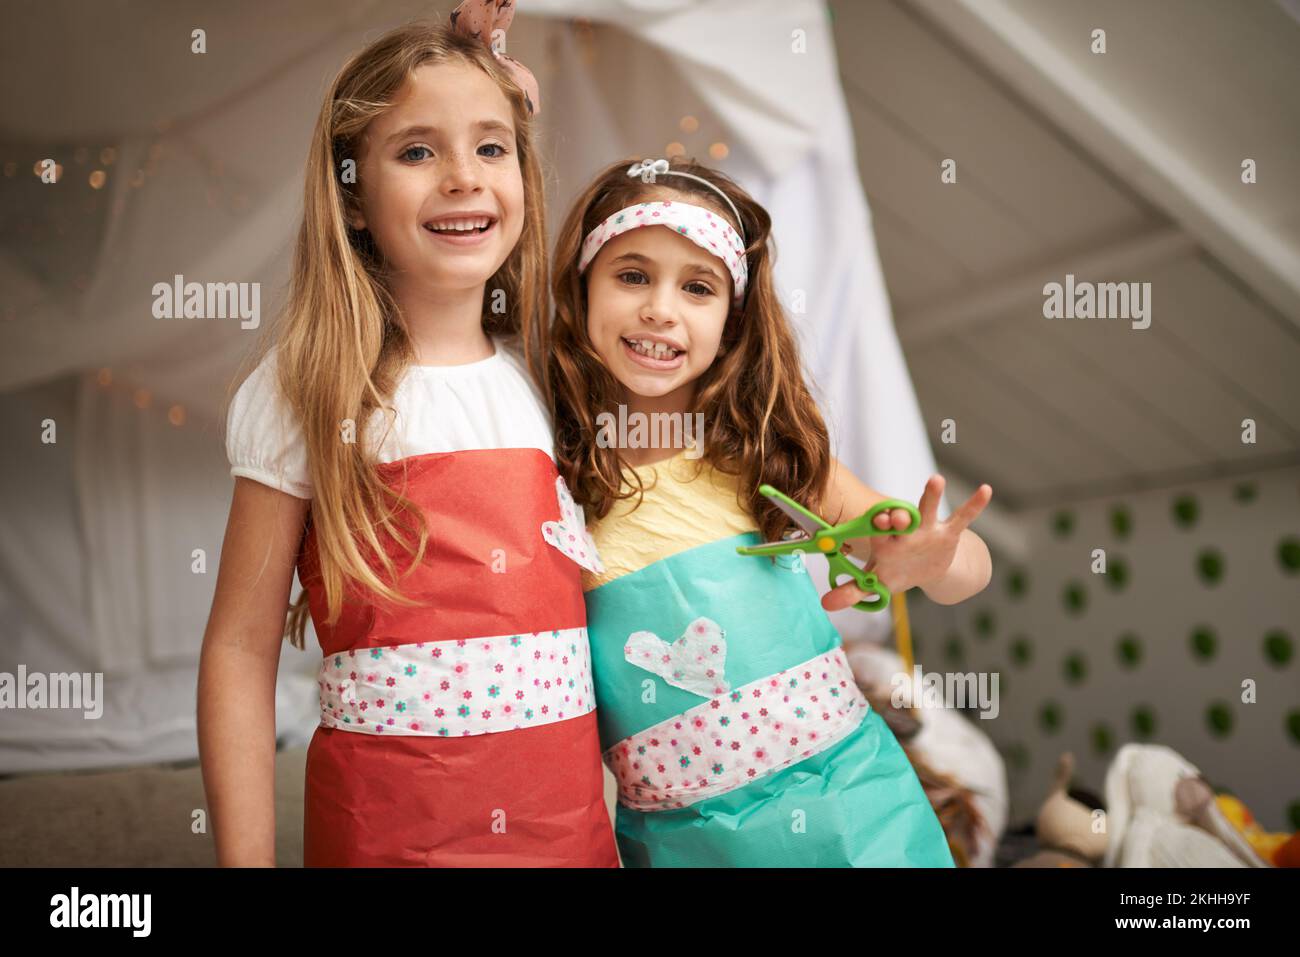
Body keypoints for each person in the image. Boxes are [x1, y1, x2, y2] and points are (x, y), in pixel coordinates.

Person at [197, 6, 618, 867]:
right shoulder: (304, 388)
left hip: (562, 835)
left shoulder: (554, 375)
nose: (463, 177)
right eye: (418, 150)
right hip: (386, 836)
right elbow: (239, 650)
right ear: (351, 194)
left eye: (491, 147)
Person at [546, 155, 994, 866]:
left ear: (732, 321)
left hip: (858, 813)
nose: (661, 307)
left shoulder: (762, 453)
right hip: (683, 844)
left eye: (697, 287)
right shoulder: (552, 474)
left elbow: (965, 567)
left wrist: (938, 560)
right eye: (632, 275)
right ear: (582, 286)